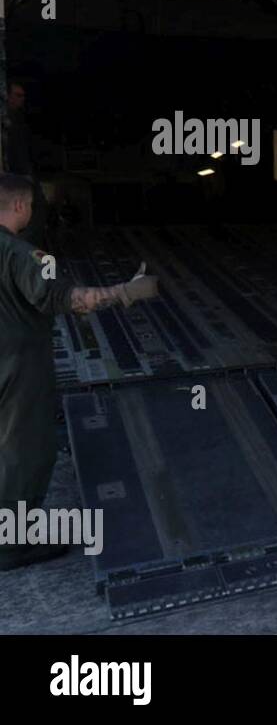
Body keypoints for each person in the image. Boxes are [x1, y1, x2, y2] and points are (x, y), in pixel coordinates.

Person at [0, 172, 160, 571]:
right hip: (19, 366)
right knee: (26, 451)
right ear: (19, 206)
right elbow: (68, 298)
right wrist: (126, 291)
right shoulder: (25, 256)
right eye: (32, 206)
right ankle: (12, 544)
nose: (33, 213)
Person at [3, 81, 47, 249]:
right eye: (18, 95)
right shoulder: (8, 122)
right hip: (15, 174)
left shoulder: (17, 120)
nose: (22, 99)